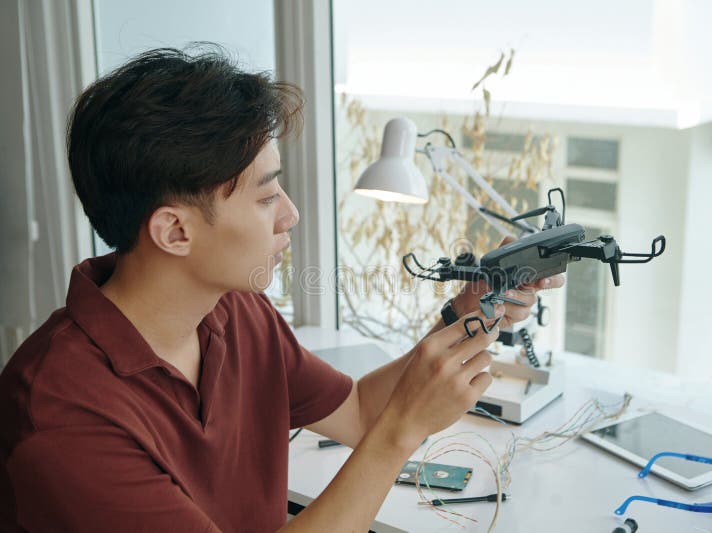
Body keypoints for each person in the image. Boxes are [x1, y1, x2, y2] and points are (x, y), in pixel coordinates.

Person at [0, 46, 563, 532]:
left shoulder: (237, 311)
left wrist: (470, 315)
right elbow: (383, 428)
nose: (290, 214)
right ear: (175, 231)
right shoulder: (61, 419)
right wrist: (401, 433)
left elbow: (362, 411)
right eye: (266, 197)